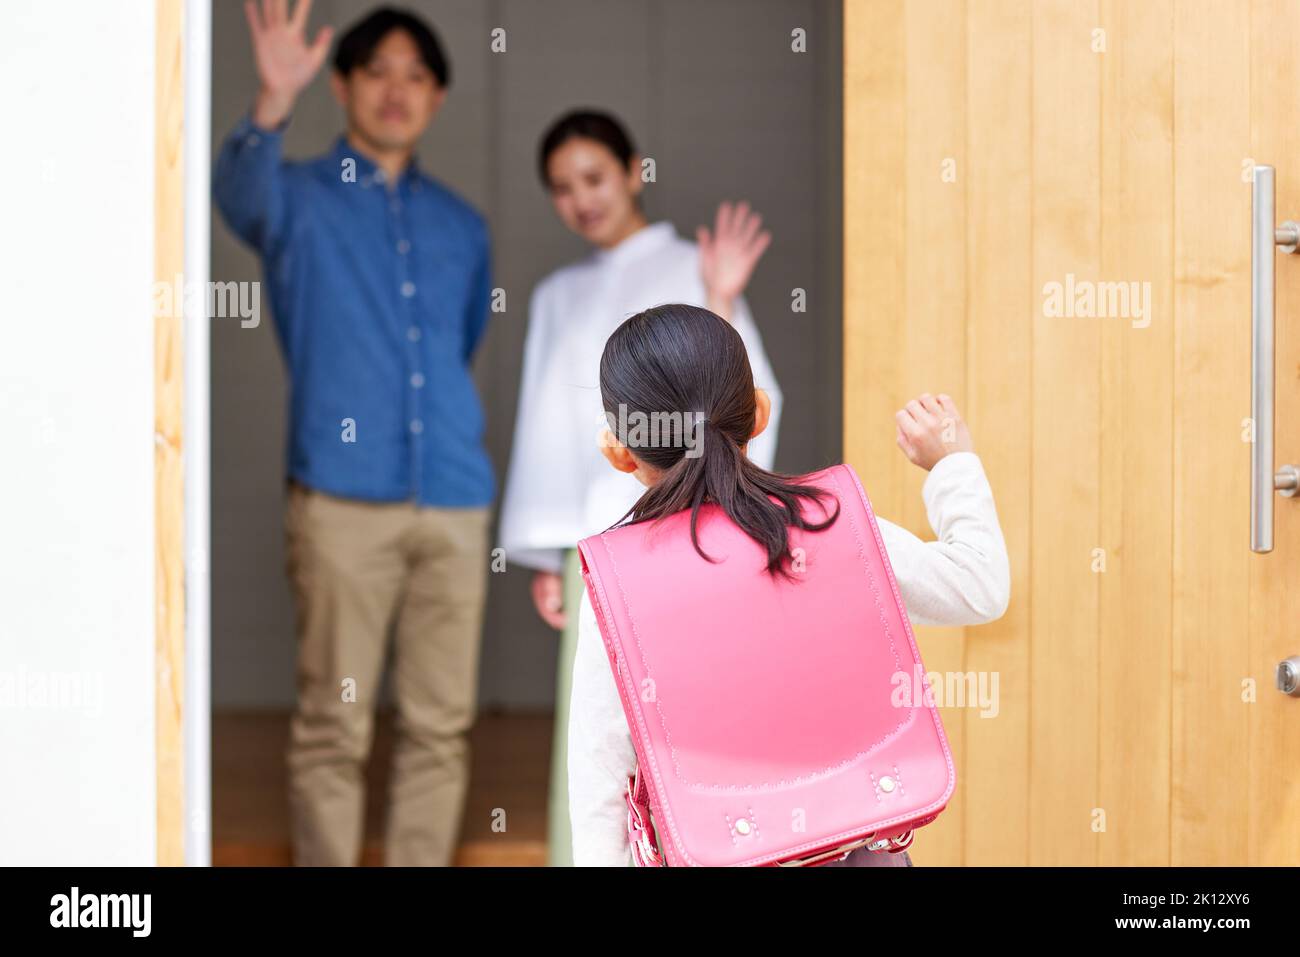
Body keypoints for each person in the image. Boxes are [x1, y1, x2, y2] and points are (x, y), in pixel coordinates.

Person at [567, 304, 1012, 866]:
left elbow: (600, 779)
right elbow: (980, 586)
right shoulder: (829, 520)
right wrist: (952, 462)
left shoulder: (618, 583)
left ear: (618, 451)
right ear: (758, 413)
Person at [213, 1, 494, 866]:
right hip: (340, 497)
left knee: (441, 726)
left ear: (438, 97)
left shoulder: (461, 224)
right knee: (334, 724)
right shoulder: (294, 195)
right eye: (377, 71)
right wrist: (270, 99)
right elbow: (234, 197)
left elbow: (460, 347)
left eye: (416, 75)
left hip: (453, 498)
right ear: (342, 84)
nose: (396, 90)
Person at [496, 110, 783, 865]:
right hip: (597, 544)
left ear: (633, 171)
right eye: (561, 188)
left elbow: (743, 407)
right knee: (600, 731)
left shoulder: (696, 265)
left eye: (594, 177)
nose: (581, 199)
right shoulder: (557, 292)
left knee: (699, 714)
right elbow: (547, 427)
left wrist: (721, 296)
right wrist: (546, 552)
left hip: (696, 532)